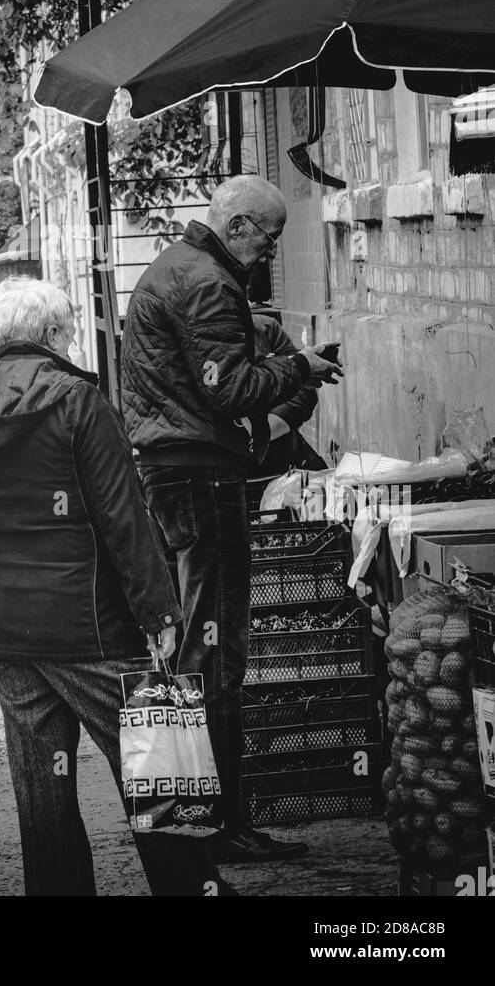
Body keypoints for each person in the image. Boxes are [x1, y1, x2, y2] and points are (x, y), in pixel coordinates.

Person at [0, 277, 236, 897]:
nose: (73, 341)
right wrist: (158, 609)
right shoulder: (78, 401)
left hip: (6, 630)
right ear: (51, 334)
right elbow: (122, 515)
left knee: (41, 788)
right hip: (88, 627)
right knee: (152, 768)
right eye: (71, 330)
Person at [121, 175, 343, 863]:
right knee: (218, 647)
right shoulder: (210, 282)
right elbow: (232, 390)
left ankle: (190, 813)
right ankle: (216, 824)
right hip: (197, 472)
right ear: (240, 224)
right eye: (269, 237)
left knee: (198, 641)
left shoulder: (176, 267)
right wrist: (300, 367)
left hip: (175, 469)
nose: (270, 251)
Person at [250, 312, 328, 480]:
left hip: (288, 465)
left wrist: (263, 433)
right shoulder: (191, 342)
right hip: (227, 476)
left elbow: (303, 391)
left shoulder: (265, 328)